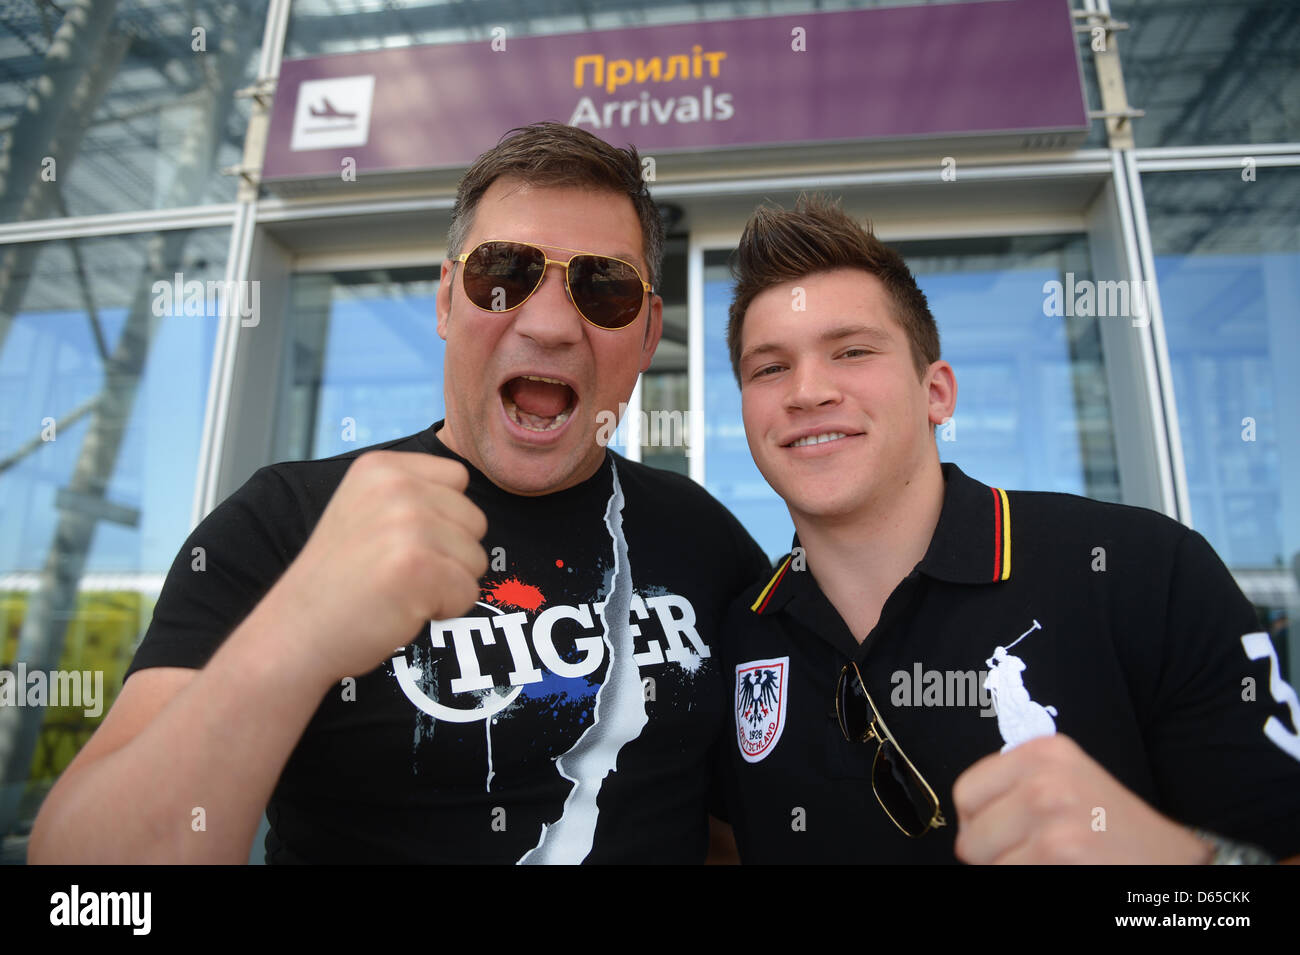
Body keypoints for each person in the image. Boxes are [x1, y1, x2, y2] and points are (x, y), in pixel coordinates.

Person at [28, 123, 769, 864]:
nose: (548, 325)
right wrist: (297, 631)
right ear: (447, 300)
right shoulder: (285, 522)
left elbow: (732, 828)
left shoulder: (703, 536)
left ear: (646, 336)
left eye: (603, 287)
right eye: (502, 273)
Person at [716, 195, 1300, 864]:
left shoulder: (1143, 573)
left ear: (937, 393)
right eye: (770, 367)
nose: (806, 391)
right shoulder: (737, 634)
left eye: (850, 350)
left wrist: (1188, 868)